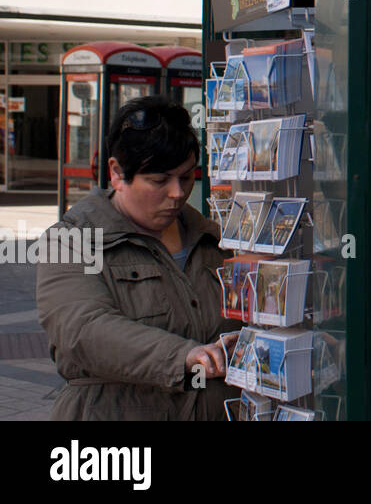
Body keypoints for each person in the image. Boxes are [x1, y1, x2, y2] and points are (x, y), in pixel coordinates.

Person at [37, 96, 238, 420]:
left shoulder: (212, 238)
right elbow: (83, 331)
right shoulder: (71, 240)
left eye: (186, 177)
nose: (176, 193)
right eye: (159, 181)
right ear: (117, 173)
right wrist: (185, 356)